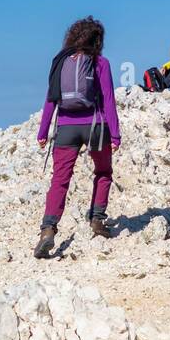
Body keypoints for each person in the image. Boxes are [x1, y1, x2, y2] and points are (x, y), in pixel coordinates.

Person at [34, 16, 120, 258]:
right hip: (96, 125)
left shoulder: (60, 62)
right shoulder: (100, 63)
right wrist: (115, 134)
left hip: (66, 127)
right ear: (98, 40)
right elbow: (109, 100)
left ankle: (48, 229)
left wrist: (43, 132)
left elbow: (51, 99)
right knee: (103, 172)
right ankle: (97, 221)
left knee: (60, 179)